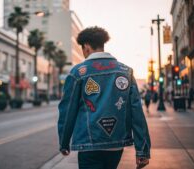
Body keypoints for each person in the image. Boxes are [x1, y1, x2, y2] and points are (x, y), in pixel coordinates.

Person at [57, 26, 151, 169]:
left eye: (82, 49)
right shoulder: (126, 72)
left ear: (86, 46)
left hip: (89, 145)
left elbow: (67, 111)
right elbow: (136, 112)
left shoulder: (77, 73)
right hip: (116, 144)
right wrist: (142, 150)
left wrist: (64, 142)